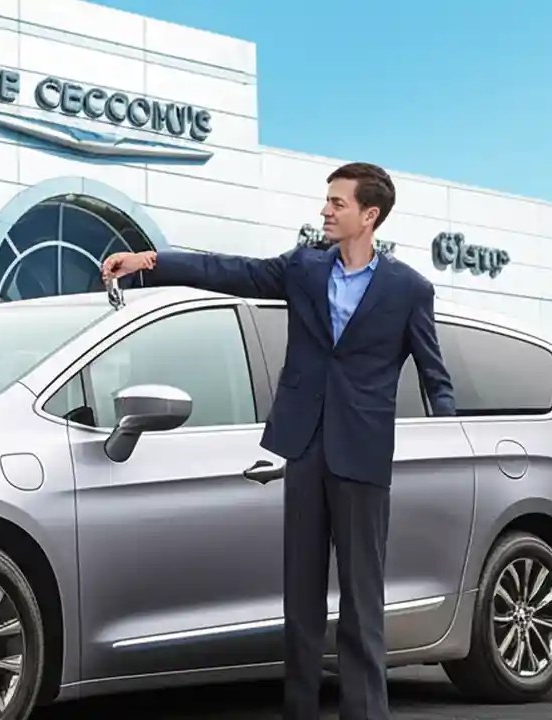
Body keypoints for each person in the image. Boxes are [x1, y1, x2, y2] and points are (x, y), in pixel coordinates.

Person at [102, 162, 455, 720]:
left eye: (337, 203)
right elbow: (227, 270)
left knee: (363, 599)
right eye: (327, 200)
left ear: (370, 215)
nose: (325, 210)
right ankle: (300, 709)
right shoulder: (303, 268)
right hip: (305, 445)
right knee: (301, 596)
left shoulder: (409, 289)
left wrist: (447, 426)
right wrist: (150, 262)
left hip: (362, 453)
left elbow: (435, 374)